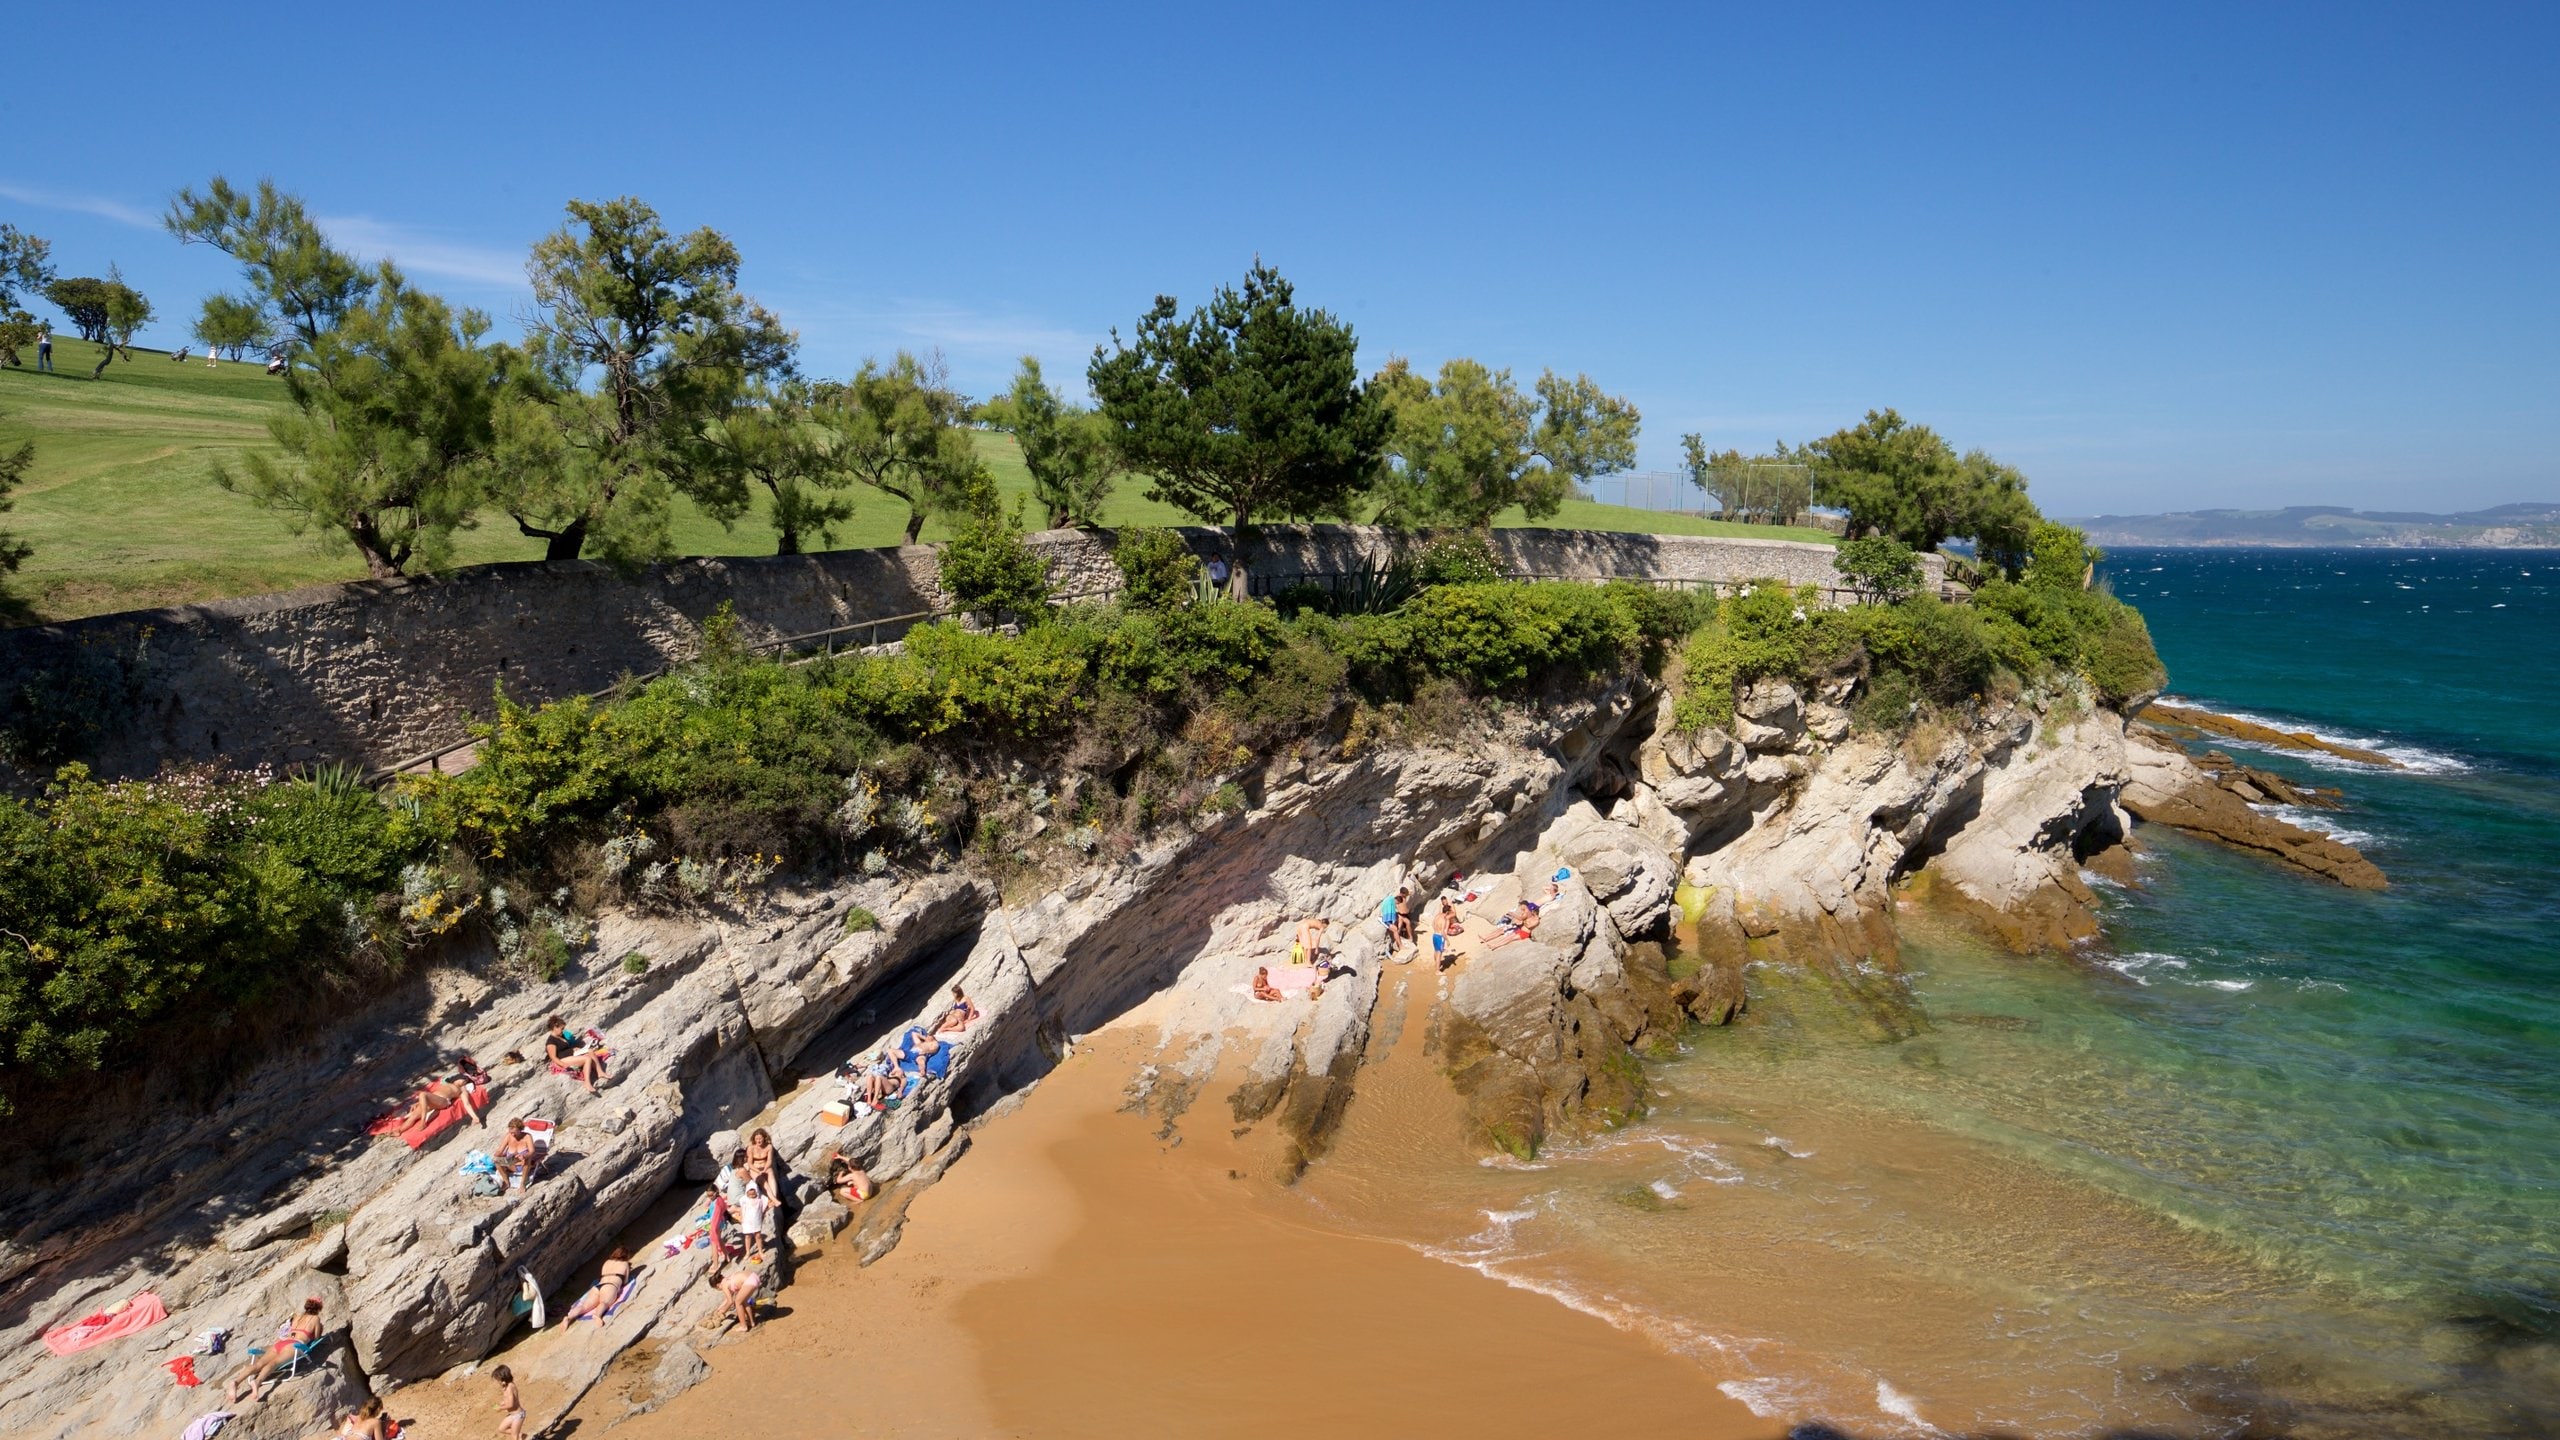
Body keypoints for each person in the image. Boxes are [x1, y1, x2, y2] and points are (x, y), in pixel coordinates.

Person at [224, 1296, 323, 1405]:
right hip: (294, 1345)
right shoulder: (316, 1319)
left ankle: (235, 1382)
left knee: (259, 1364)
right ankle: (257, 1382)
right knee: (274, 1363)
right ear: (318, 1308)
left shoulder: (296, 1317)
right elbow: (317, 1337)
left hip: (281, 1343)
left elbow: (290, 1332)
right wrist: (319, 1328)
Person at [560, 1246, 634, 1324]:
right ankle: (597, 1315)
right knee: (604, 1302)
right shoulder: (625, 1264)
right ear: (626, 1256)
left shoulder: (607, 1262)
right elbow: (625, 1282)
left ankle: (569, 1317)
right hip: (610, 1286)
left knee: (585, 1306)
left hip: (598, 1286)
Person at [398, 1073, 483, 1134]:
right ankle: (399, 1131)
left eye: (467, 1081)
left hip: (443, 1101)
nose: (465, 1081)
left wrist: (474, 1117)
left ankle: (423, 1122)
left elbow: (466, 1104)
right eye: (464, 1079)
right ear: (457, 1078)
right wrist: (419, 1102)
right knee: (413, 1116)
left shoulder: (462, 1089)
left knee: (423, 1094)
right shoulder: (446, 1084)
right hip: (431, 1100)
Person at [544, 1015, 605, 1093]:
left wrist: (573, 1049)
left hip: (571, 1055)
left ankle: (600, 1072)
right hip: (563, 1059)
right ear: (555, 1027)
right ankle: (587, 1083)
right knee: (587, 1059)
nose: (563, 1031)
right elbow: (554, 1057)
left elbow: (564, 1048)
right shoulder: (551, 1042)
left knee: (590, 1051)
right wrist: (563, 1065)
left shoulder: (561, 1036)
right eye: (561, 1029)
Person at [706, 1264, 761, 1331]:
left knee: (737, 1302)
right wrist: (719, 1309)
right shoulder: (726, 1280)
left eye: (717, 1289)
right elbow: (727, 1299)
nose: (719, 1290)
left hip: (749, 1281)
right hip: (753, 1276)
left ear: (717, 1285)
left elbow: (730, 1302)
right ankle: (751, 1322)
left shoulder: (724, 1285)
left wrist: (723, 1311)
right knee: (744, 1301)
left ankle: (743, 1326)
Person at [496, 1118, 538, 1190]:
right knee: (497, 1162)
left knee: (528, 1159)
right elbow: (500, 1150)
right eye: (510, 1132)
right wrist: (497, 1154)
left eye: (514, 1132)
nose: (512, 1134)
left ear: (520, 1130)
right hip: (511, 1163)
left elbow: (532, 1151)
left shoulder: (527, 1137)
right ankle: (506, 1182)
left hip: (523, 1164)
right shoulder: (508, 1136)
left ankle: (522, 1184)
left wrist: (524, 1156)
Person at [737, 1182, 770, 1261]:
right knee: (747, 1236)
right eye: (750, 1194)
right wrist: (741, 1218)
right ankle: (748, 1252)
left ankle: (760, 1250)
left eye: (753, 1194)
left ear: (757, 1192)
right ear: (747, 1193)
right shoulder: (744, 1200)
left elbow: (766, 1206)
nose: (752, 1196)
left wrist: (763, 1214)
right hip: (747, 1221)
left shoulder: (760, 1199)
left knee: (758, 1235)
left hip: (756, 1220)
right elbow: (742, 1209)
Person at [741, 1128, 779, 1194]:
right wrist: (758, 1171)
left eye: (760, 1139)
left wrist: (765, 1169)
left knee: (770, 1172)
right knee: (762, 1180)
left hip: (765, 1167)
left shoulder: (769, 1147)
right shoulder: (751, 1148)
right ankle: (770, 1198)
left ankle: (774, 1195)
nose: (758, 1141)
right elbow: (750, 1163)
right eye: (756, 1139)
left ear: (764, 1138)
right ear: (754, 1139)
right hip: (754, 1168)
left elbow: (769, 1160)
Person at [1433, 897, 1466, 971]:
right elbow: (1443, 932)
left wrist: (1436, 929)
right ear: (1447, 912)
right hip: (1439, 936)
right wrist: (1447, 940)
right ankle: (1437, 971)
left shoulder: (1437, 916)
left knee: (1435, 951)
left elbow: (1433, 924)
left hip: (1434, 935)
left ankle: (1436, 964)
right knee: (1439, 954)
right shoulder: (1444, 919)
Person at [1381, 885, 1414, 956]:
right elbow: (1392, 912)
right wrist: (1395, 918)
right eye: (1398, 903)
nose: (1398, 904)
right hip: (1395, 916)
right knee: (1398, 926)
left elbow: (1409, 893)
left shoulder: (1400, 897)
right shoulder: (1394, 901)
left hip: (1400, 915)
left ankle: (1409, 938)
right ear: (1401, 894)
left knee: (1407, 923)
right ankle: (1399, 943)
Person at [493, 1363, 524, 1439]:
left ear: (503, 1378)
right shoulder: (506, 1387)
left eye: (498, 1380)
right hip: (512, 1415)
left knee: (514, 1436)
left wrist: (500, 1408)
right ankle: (520, 1435)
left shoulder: (510, 1387)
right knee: (501, 1429)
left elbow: (511, 1405)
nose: (498, 1382)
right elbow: (509, 1399)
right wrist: (503, 1403)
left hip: (518, 1415)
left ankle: (517, 1434)